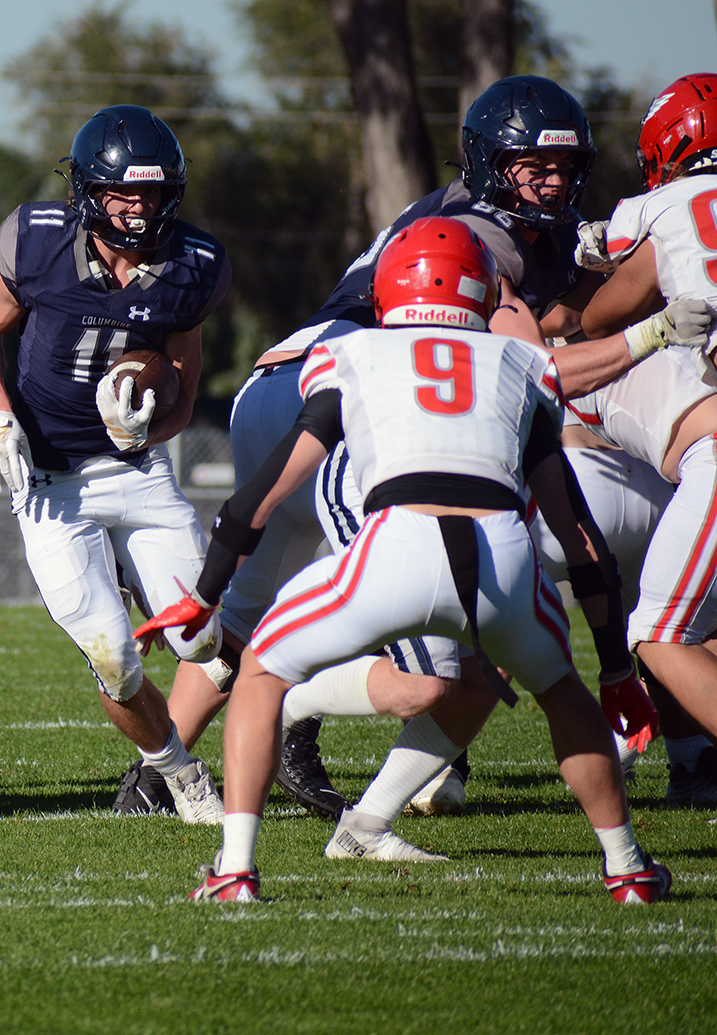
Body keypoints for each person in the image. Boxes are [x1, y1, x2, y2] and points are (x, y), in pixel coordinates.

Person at [163, 75, 703, 824]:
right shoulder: (480, 232)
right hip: (343, 387)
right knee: (440, 668)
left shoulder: (519, 226)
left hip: (294, 380)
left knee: (253, 610)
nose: (552, 179)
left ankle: (156, 767)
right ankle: (306, 713)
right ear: (487, 163)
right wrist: (656, 329)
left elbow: (559, 324)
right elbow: (536, 370)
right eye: (532, 164)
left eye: (563, 164)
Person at [140, 216, 670, 904]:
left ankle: (235, 867)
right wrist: (618, 668)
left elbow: (260, 497)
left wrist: (207, 593)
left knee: (261, 671)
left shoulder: (352, 354)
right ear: (481, 293)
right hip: (504, 558)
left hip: (394, 546)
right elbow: (580, 540)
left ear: (388, 288)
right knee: (559, 692)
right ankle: (626, 866)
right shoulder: (522, 364)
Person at [0, 104, 233, 822]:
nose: (138, 209)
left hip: (134, 473)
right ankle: (178, 773)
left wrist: (149, 417)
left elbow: (182, 385)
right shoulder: (38, 241)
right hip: (48, 477)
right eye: (123, 194)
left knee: (205, 640)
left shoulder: (192, 264)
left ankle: (294, 723)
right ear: (87, 190)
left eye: (150, 193)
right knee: (114, 658)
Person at [573, 73, 717, 806]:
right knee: (702, 633)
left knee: (658, 633)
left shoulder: (662, 205)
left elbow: (600, 312)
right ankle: (699, 764)